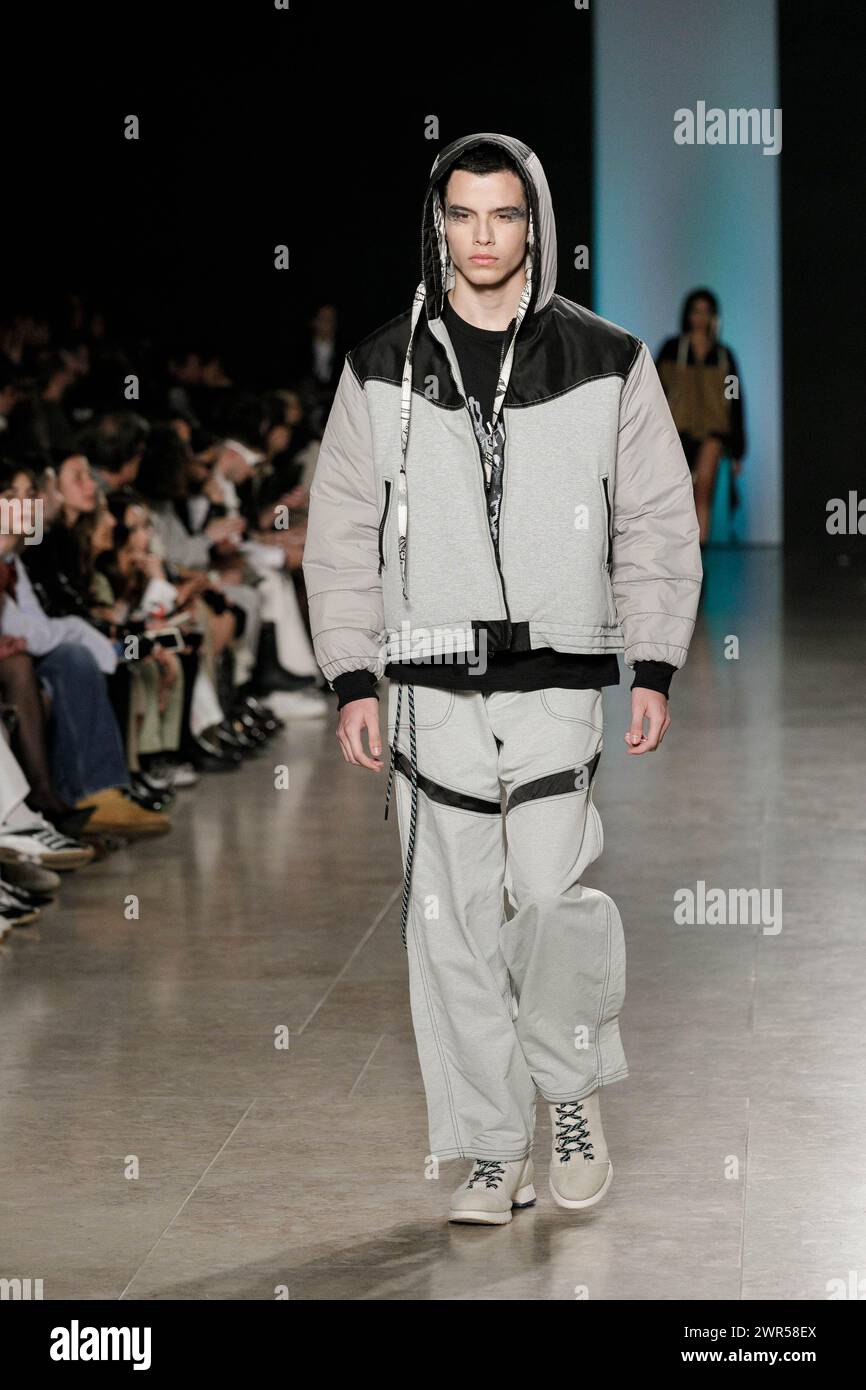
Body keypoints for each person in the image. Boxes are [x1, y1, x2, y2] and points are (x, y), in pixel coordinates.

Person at [302, 133, 703, 1226]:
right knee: (451, 925)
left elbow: (656, 516)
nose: (483, 235)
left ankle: (567, 1092)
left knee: (553, 897)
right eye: (464, 214)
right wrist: (349, 676)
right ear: (439, 226)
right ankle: (490, 1145)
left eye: (504, 215)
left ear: (536, 227)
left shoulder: (605, 358)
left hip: (556, 676)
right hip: (425, 687)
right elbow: (338, 530)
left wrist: (653, 658)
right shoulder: (382, 368)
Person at [655, 288, 747, 545]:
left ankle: (698, 556)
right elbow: (654, 392)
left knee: (704, 489)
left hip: (713, 431)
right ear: (688, 314)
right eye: (696, 310)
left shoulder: (724, 355)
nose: (701, 317)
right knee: (678, 495)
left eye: (706, 311)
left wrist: (738, 450)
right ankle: (680, 559)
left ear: (714, 316)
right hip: (677, 430)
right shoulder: (671, 350)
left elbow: (735, 401)